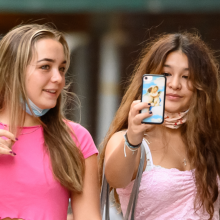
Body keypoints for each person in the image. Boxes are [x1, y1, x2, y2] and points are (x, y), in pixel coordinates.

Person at [99, 33, 220, 219]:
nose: (174, 84)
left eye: (186, 76)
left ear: (201, 85)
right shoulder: (128, 140)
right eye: (166, 74)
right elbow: (115, 178)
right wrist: (132, 139)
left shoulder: (212, 138)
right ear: (149, 79)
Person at [0, 24, 101, 220]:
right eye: (45, 66)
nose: (58, 78)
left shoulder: (76, 138)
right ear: (12, 72)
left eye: (62, 68)